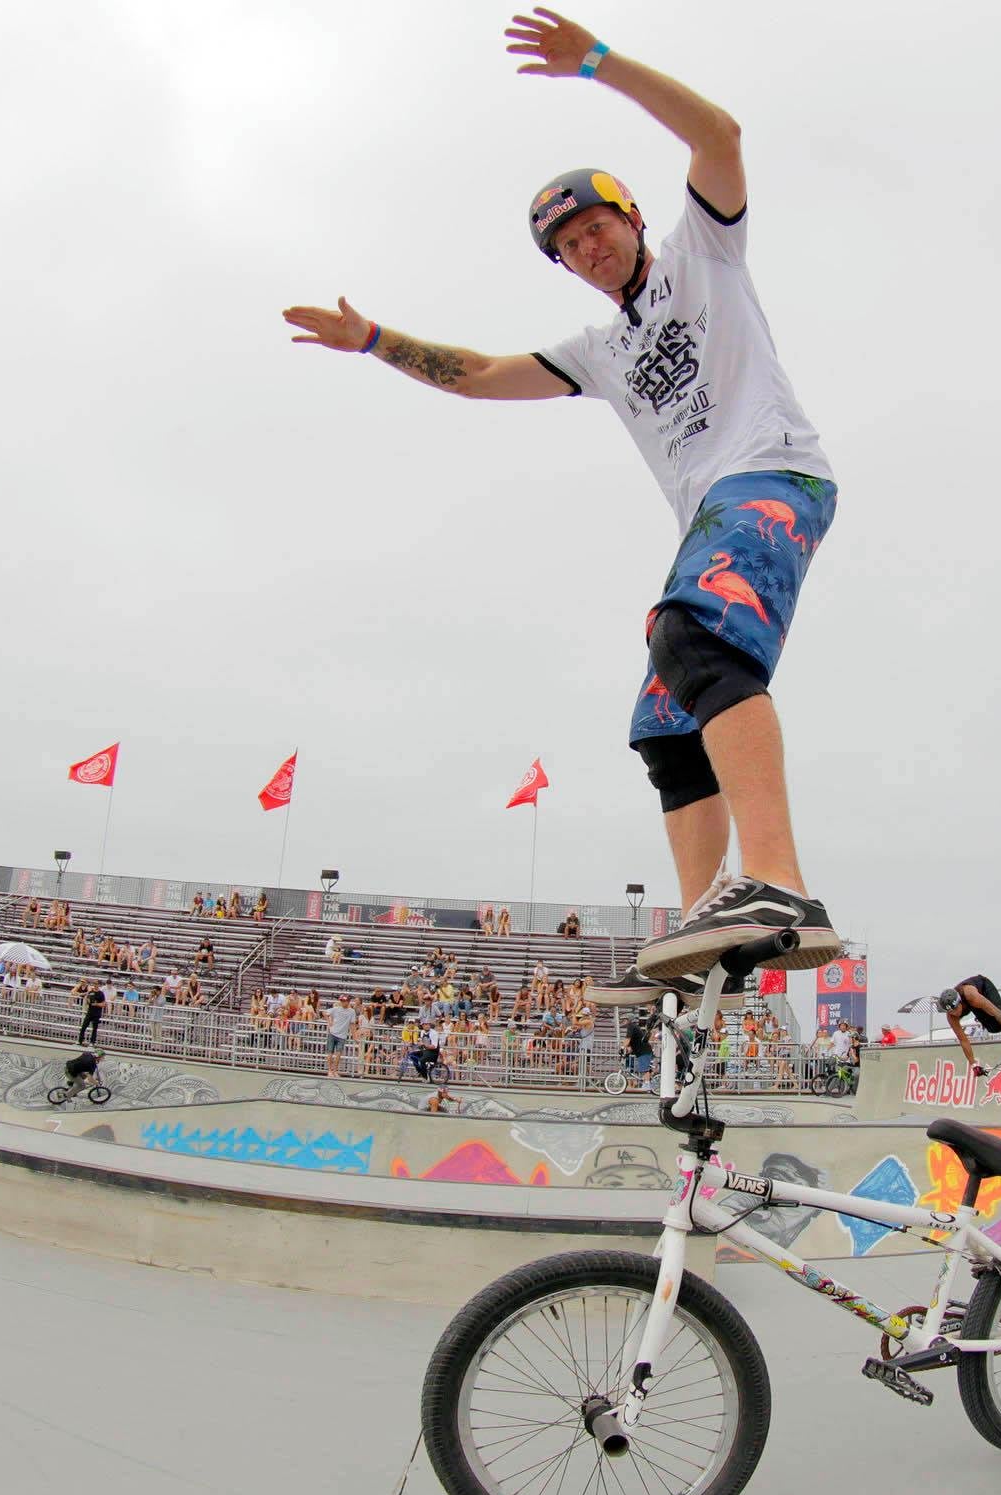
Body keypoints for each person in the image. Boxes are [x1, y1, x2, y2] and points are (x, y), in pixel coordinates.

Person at [284, 9, 840, 985]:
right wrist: (375, 341)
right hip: (710, 514)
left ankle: (779, 880)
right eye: (569, 246)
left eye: (597, 226)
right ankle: (705, 924)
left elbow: (721, 138)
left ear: (631, 220)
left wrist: (597, 64)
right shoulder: (598, 352)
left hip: (773, 475)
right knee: (665, 718)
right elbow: (477, 374)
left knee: (692, 635)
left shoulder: (705, 256)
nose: (588, 248)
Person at [937, 974, 1001, 1073]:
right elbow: (963, 1040)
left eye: (955, 1009)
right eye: (951, 1011)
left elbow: (997, 1012)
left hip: (984, 988)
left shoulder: (971, 995)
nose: (955, 1013)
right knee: (991, 1027)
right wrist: (974, 1065)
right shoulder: (951, 1017)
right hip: (972, 1005)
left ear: (959, 1001)